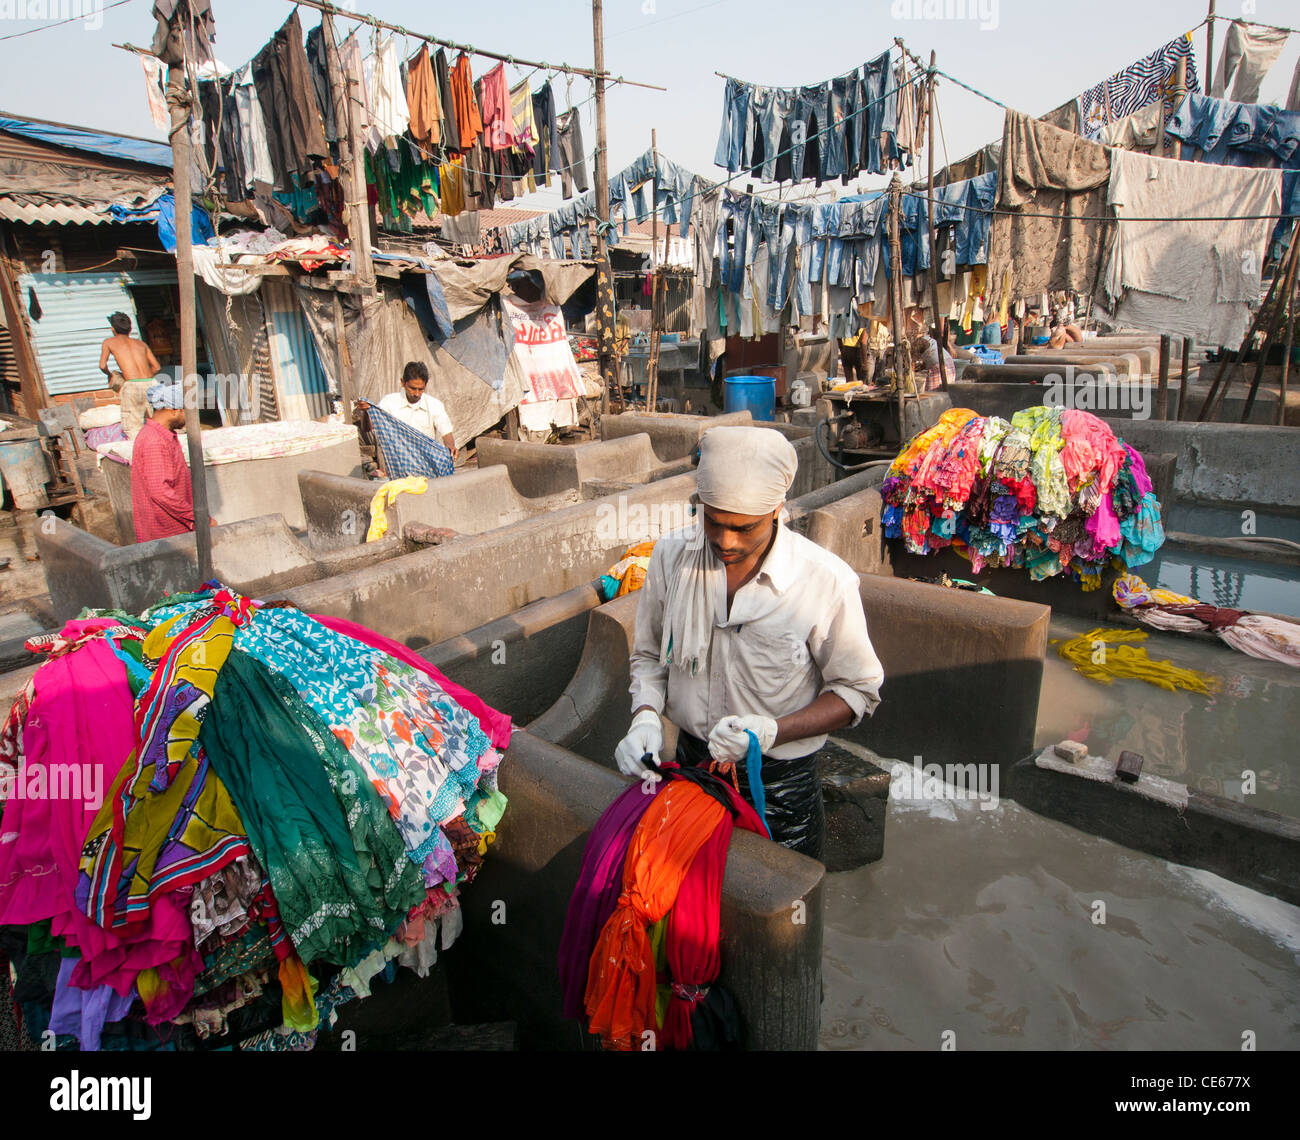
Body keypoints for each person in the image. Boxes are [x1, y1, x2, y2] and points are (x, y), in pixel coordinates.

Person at [617, 426, 885, 859]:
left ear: (778, 509)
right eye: (714, 522)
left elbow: (856, 692)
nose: (726, 541)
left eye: (744, 528)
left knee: (776, 908)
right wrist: (644, 718)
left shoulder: (823, 581)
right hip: (693, 767)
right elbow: (649, 655)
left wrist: (772, 730)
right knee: (689, 904)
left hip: (778, 783)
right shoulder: (671, 556)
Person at [130, 380, 209, 543]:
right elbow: (161, 491)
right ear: (174, 411)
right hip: (166, 531)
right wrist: (196, 517)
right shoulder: (154, 441)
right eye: (185, 412)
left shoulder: (162, 435)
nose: (187, 418)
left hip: (174, 526)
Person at [374, 361, 457, 461]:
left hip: (425, 461)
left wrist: (451, 447)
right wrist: (366, 412)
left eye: (421, 389)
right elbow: (371, 426)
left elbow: (446, 432)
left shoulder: (434, 405)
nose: (417, 394)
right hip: (397, 460)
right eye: (412, 388)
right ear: (403, 383)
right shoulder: (389, 402)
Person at [99, 312, 162, 439]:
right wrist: (145, 379)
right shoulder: (141, 344)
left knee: (134, 428)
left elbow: (102, 365)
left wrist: (110, 375)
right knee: (157, 422)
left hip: (133, 386)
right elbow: (157, 367)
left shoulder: (109, 342)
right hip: (152, 383)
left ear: (113, 329)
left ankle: (140, 454)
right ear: (130, 328)